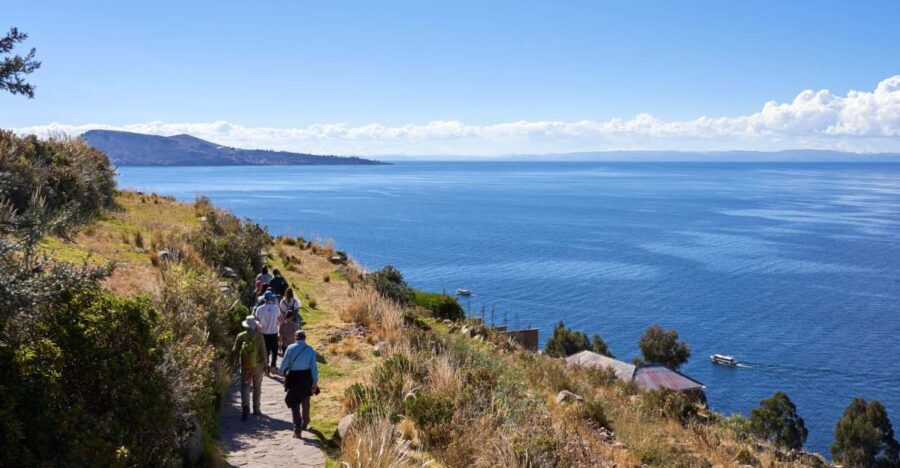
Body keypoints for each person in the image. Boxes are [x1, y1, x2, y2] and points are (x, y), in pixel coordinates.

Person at [279, 330, 319, 437]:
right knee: (306, 400)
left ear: (295, 338)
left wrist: (281, 371)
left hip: (294, 377)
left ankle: (297, 429)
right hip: (306, 377)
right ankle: (305, 422)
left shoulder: (290, 348)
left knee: (294, 403)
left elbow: (284, 364)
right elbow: (314, 367)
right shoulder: (310, 349)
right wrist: (315, 381)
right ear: (304, 338)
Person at [232, 315, 267, 421]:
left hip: (245, 365)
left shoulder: (240, 336)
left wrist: (233, 363)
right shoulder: (260, 337)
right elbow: (264, 353)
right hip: (258, 366)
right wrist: (266, 366)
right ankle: (256, 409)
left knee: (245, 387)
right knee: (257, 387)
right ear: (255, 325)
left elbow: (235, 351)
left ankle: (245, 407)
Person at [254, 291, 281, 375]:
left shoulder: (260, 309)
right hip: (273, 332)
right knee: (275, 350)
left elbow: (257, 322)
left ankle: (266, 368)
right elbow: (280, 320)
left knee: (265, 351)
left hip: (263, 333)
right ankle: (273, 365)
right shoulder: (276, 308)